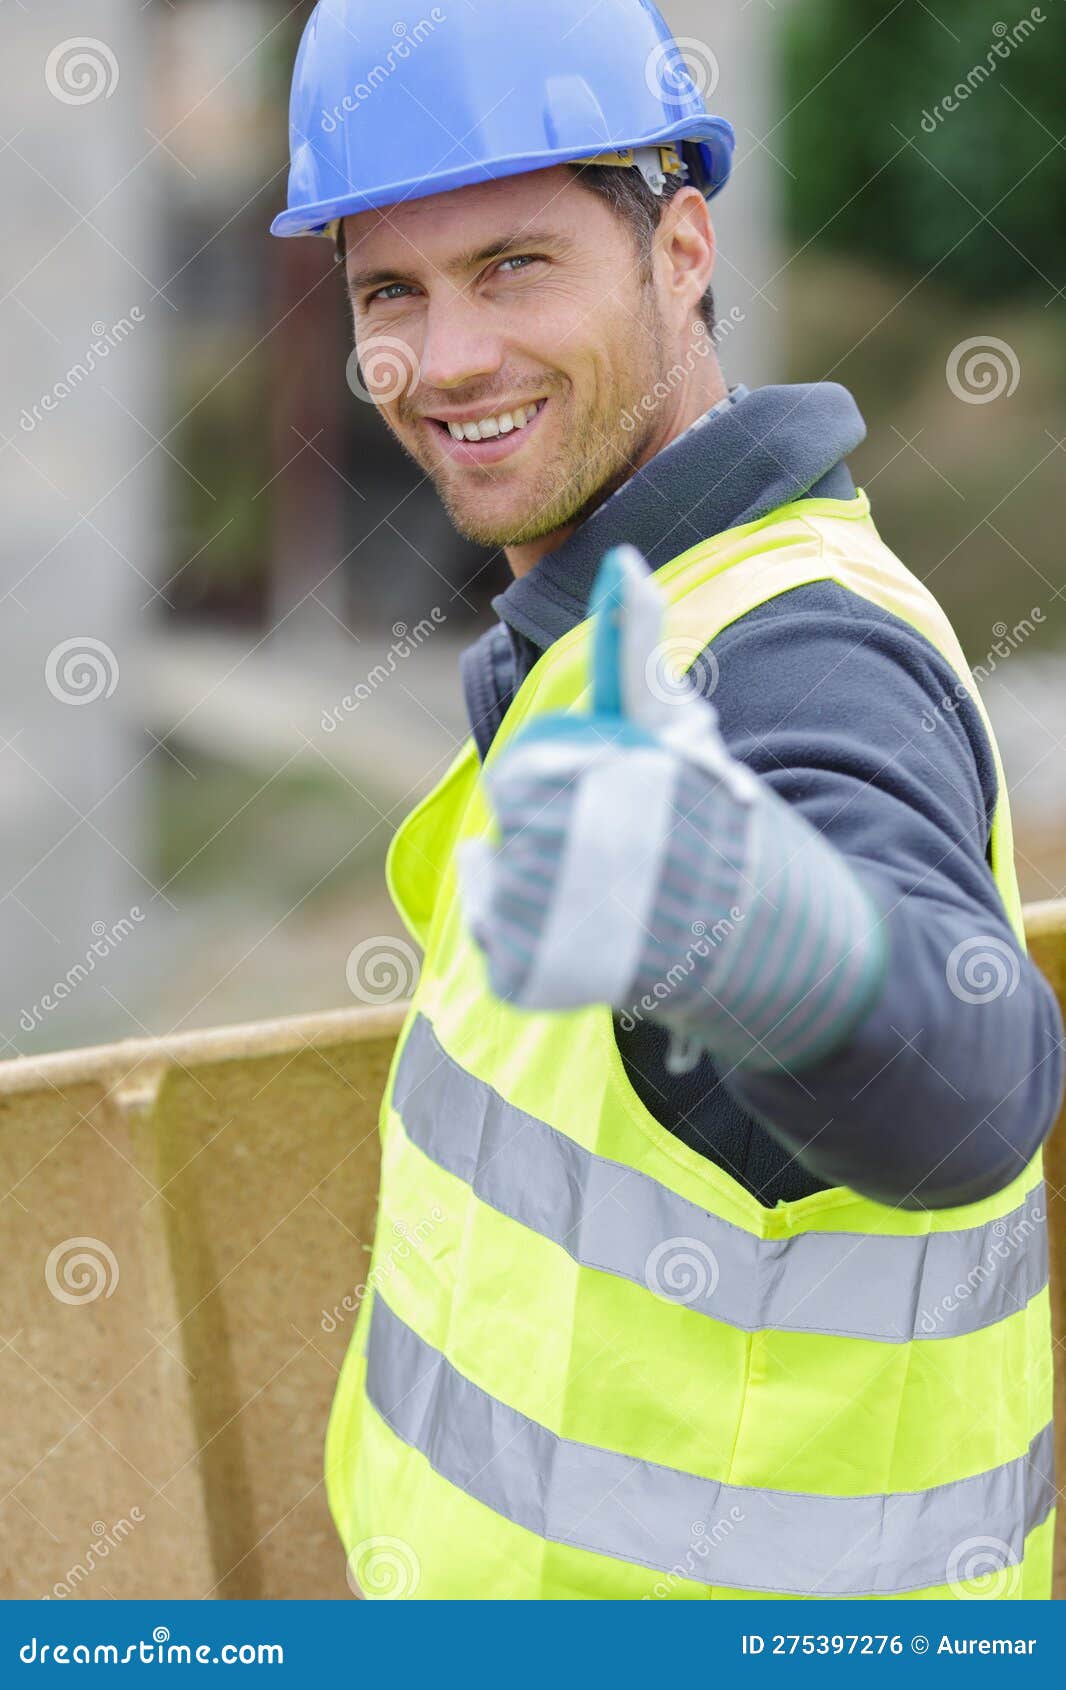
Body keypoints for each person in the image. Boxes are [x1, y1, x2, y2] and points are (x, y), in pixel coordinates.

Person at [271, 0, 1062, 1600]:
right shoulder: (603, 636)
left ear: (682, 246)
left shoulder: (788, 654)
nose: (447, 358)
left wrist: (744, 921)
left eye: (515, 265)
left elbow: (970, 1087)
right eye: (391, 294)